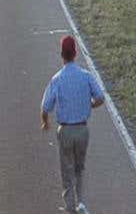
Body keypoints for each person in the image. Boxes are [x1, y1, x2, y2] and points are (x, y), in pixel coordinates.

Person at [41, 35, 105, 213]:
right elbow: (100, 97)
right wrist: (91, 104)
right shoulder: (86, 76)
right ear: (75, 54)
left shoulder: (57, 79)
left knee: (66, 170)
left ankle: (70, 207)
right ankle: (81, 202)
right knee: (79, 167)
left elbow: (46, 106)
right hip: (83, 129)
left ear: (62, 54)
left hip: (66, 131)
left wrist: (45, 122)